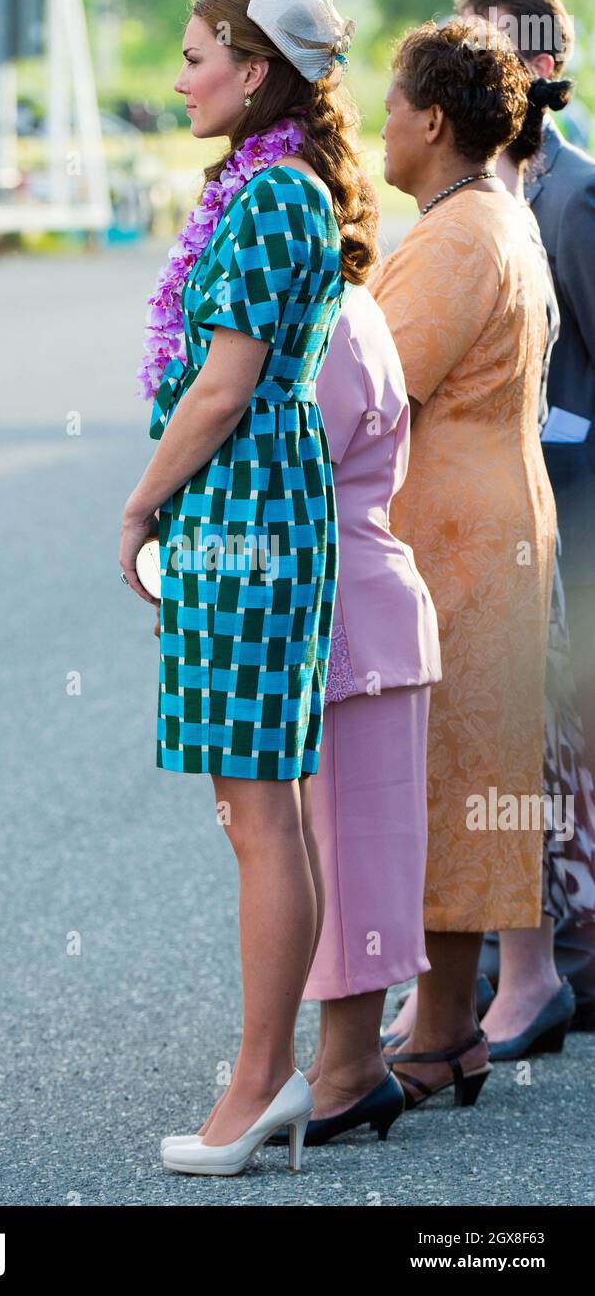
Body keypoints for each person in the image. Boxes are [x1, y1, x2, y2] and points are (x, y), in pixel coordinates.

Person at [119, 0, 379, 1175]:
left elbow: (223, 384)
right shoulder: (275, 184)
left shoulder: (274, 194)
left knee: (259, 810)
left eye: (192, 57)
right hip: (259, 506)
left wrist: (140, 500)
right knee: (259, 807)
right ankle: (272, 1073)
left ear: (256, 70)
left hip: (248, 511)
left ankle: (258, 1081)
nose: (178, 80)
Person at [370, 18, 557, 1108]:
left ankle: (439, 1031)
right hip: (497, 520)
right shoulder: (495, 214)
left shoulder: (454, 236)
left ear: (432, 120)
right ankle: (450, 1030)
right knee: (473, 773)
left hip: (459, 538)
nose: (378, 127)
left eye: (390, 106)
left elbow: (378, 389)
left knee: (449, 774)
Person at [259, 272, 444, 1151]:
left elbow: (288, 464)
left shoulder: (328, 322)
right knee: (351, 845)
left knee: (349, 850)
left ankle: (348, 1069)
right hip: (363, 607)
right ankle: (348, 1062)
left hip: (350, 613)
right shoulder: (352, 306)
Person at [455, 0, 595, 1032]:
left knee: (569, 730)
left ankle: (565, 960)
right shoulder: (478, 190)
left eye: (491, 48)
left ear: (541, 62)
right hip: (507, 508)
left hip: (574, 500)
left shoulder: (574, 192)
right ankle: (524, 960)